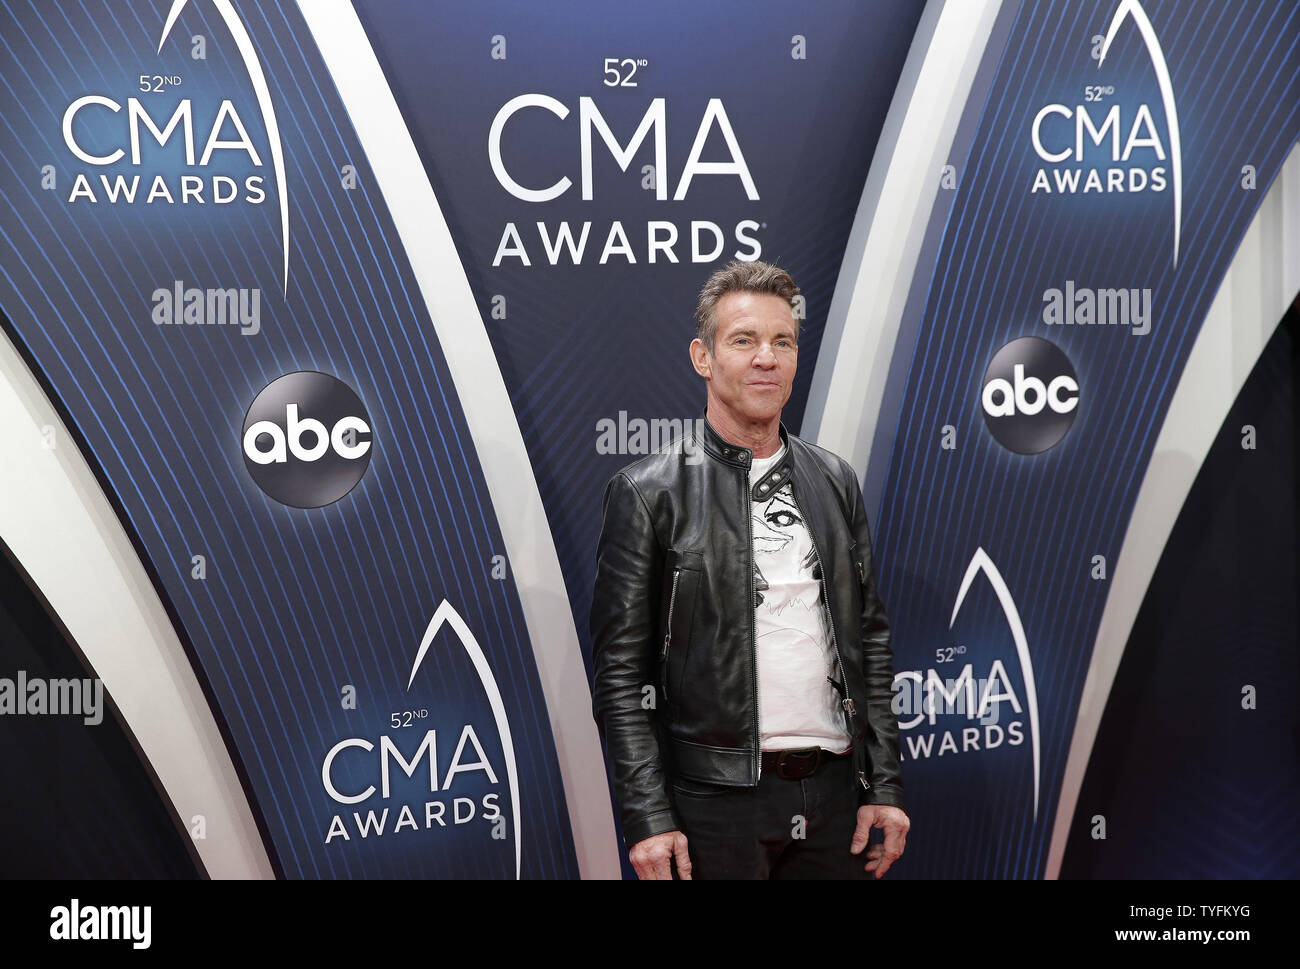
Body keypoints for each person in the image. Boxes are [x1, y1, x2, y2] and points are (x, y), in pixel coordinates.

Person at [590, 260, 909, 880]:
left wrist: (884, 785)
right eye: (744, 340)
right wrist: (649, 817)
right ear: (702, 357)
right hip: (714, 803)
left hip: (837, 794)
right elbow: (621, 679)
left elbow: (869, 641)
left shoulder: (835, 479)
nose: (767, 358)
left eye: (782, 342)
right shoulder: (649, 492)